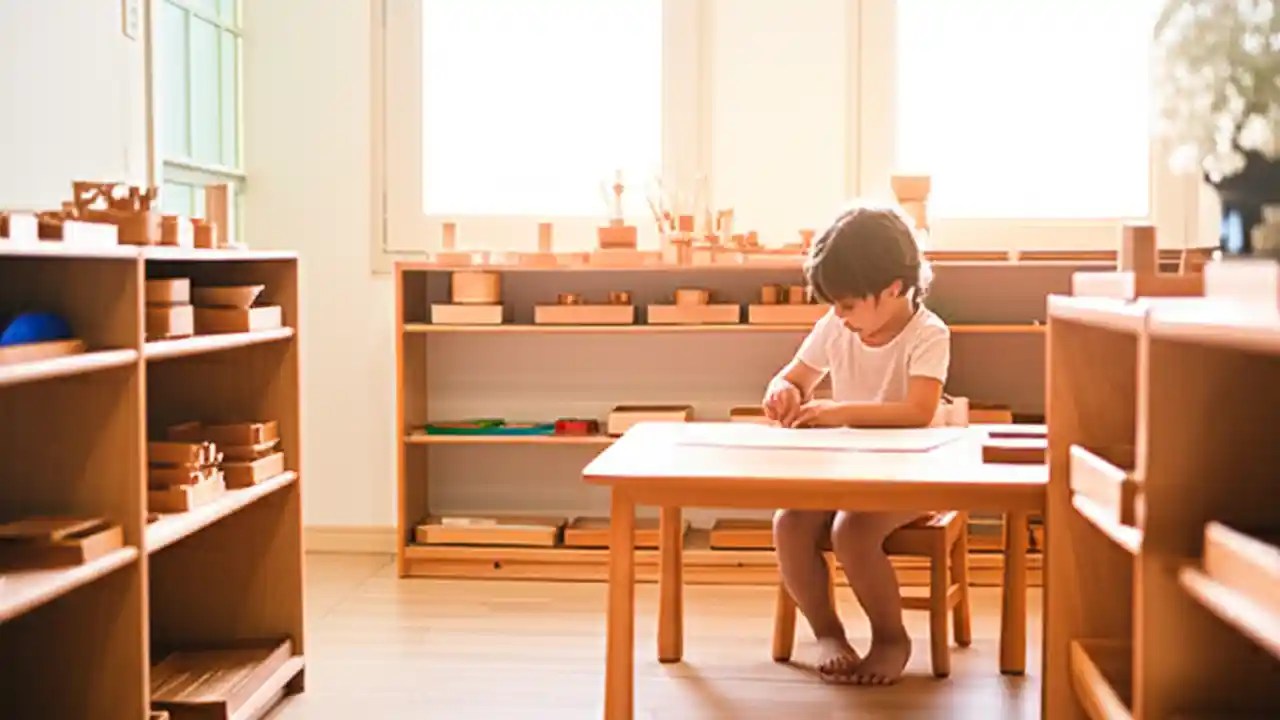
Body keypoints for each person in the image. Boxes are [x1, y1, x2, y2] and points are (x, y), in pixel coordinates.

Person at [761, 202, 950, 685]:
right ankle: (828, 631)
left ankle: (891, 637)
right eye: (834, 305)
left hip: (913, 475)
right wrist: (783, 390)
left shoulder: (928, 334)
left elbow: (918, 412)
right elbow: (796, 377)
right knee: (790, 523)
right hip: (846, 472)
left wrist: (838, 413)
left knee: (852, 532)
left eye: (847, 304)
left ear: (892, 289)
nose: (839, 316)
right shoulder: (835, 326)